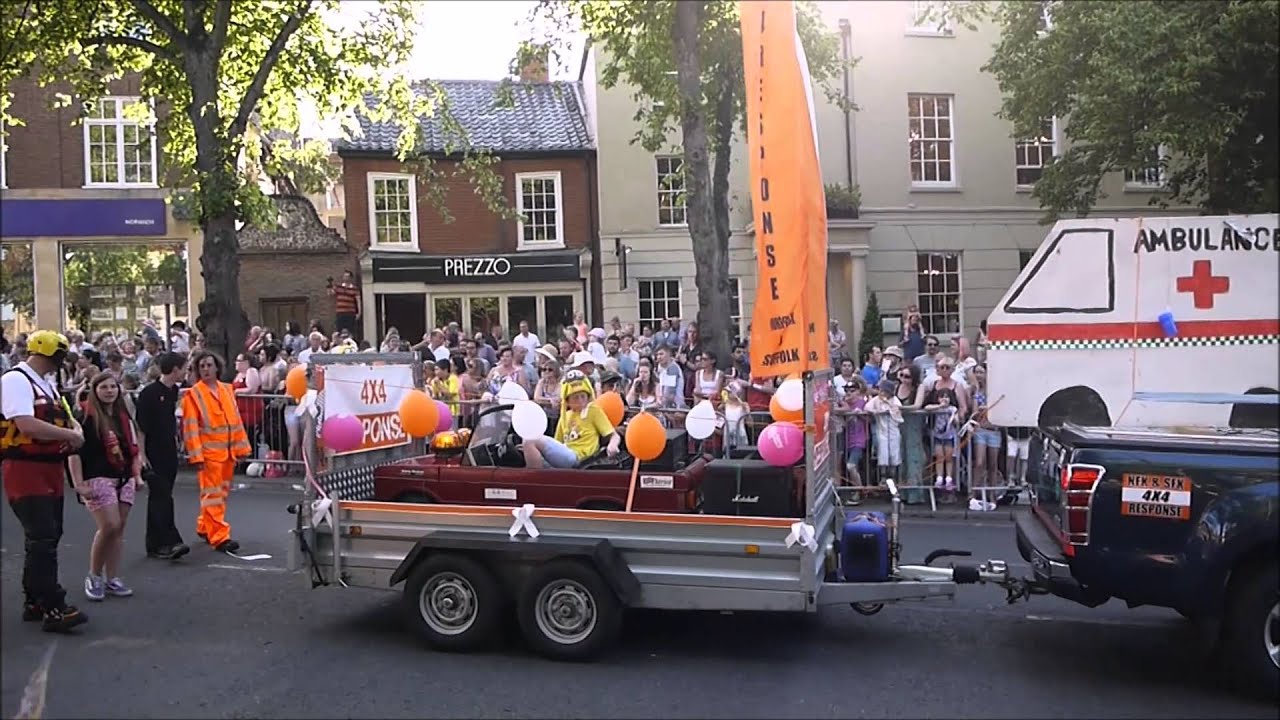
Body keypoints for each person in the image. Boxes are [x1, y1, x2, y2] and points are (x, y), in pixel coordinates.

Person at [0, 330, 88, 632]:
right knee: (42, 537)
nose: (57, 364)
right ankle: (53, 605)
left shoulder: (48, 385)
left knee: (46, 537)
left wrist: (74, 430)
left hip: (49, 467)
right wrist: (70, 436)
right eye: (55, 357)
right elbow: (26, 424)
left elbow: (65, 416)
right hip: (25, 468)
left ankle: (35, 599)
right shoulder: (15, 380)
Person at [68, 373, 142, 601]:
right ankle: (94, 575)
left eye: (113, 387)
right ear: (95, 390)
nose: (109, 391)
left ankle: (112, 577)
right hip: (98, 477)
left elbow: (133, 448)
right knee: (109, 525)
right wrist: (78, 483)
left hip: (124, 476)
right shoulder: (86, 418)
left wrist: (136, 475)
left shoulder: (123, 418)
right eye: (104, 387)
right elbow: (74, 453)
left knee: (118, 530)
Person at [181, 351, 253, 553]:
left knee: (218, 495)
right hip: (208, 455)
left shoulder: (227, 390)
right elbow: (191, 428)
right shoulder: (193, 395)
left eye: (209, 365)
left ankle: (205, 526)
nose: (205, 369)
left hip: (227, 453)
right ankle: (220, 537)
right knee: (213, 497)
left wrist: (242, 448)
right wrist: (196, 456)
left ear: (217, 367)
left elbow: (235, 422)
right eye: (201, 366)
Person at [135, 353, 189, 560]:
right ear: (175, 369)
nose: (186, 372)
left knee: (162, 496)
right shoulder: (149, 393)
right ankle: (170, 541)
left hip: (169, 450)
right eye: (184, 368)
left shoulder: (174, 391)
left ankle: (155, 543)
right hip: (153, 451)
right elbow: (141, 427)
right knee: (162, 495)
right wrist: (141, 455)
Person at [521, 370, 621, 469]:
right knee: (527, 442)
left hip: (581, 458)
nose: (580, 401)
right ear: (567, 401)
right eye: (575, 398)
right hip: (567, 454)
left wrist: (613, 445)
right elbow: (558, 443)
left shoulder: (593, 410)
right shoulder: (565, 416)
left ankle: (535, 480)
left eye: (583, 396)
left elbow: (614, 435)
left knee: (530, 440)